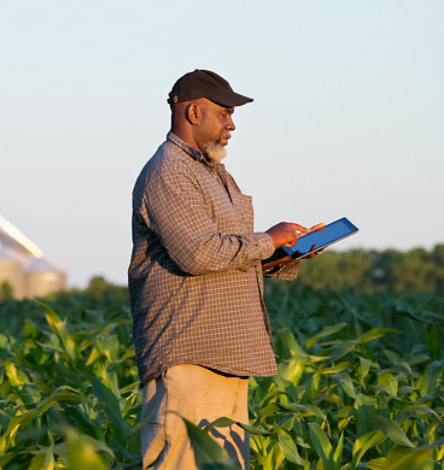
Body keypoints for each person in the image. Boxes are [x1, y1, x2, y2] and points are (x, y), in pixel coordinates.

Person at [128, 69, 323, 469]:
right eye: (224, 113)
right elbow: (198, 254)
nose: (231, 124)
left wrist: (287, 252)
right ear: (194, 112)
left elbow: (228, 256)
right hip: (189, 353)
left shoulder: (213, 173)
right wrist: (269, 238)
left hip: (226, 352)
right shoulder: (169, 171)